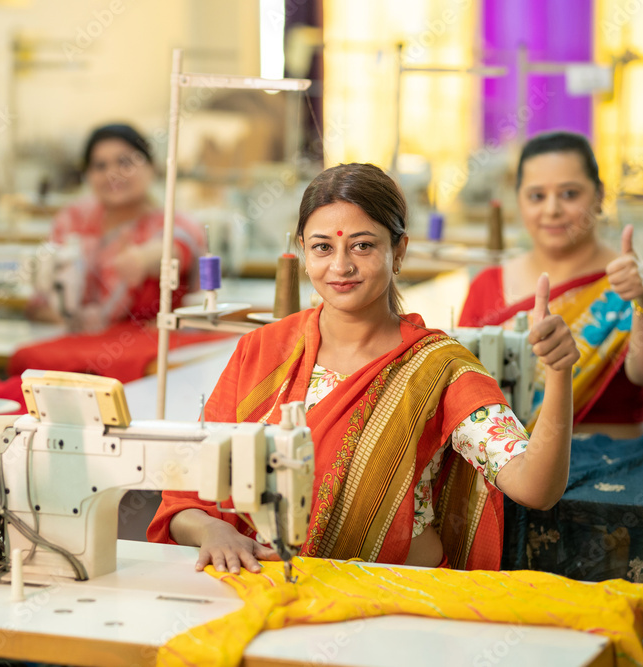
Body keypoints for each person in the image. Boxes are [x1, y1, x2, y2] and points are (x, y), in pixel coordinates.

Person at [147, 163, 580, 574]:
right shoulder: (261, 351)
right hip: (274, 587)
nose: (340, 266)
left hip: (399, 602)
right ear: (303, 250)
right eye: (322, 247)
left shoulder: (441, 370)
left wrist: (559, 374)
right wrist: (214, 529)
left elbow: (535, 488)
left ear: (399, 250)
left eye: (363, 245)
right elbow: (185, 493)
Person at [459, 131, 643, 437]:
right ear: (518, 199)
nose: (552, 209)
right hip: (514, 471)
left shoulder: (630, 279)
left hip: (617, 467)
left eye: (570, 194)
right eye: (537, 196)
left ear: (599, 195)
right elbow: (464, 391)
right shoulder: (487, 285)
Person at [27, 123, 203, 330]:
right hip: (79, 350)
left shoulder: (175, 223)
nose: (112, 174)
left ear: (151, 166)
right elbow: (39, 303)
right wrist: (68, 319)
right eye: (100, 166)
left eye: (124, 162)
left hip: (148, 353)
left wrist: (142, 258)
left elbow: (175, 249)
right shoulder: (73, 219)